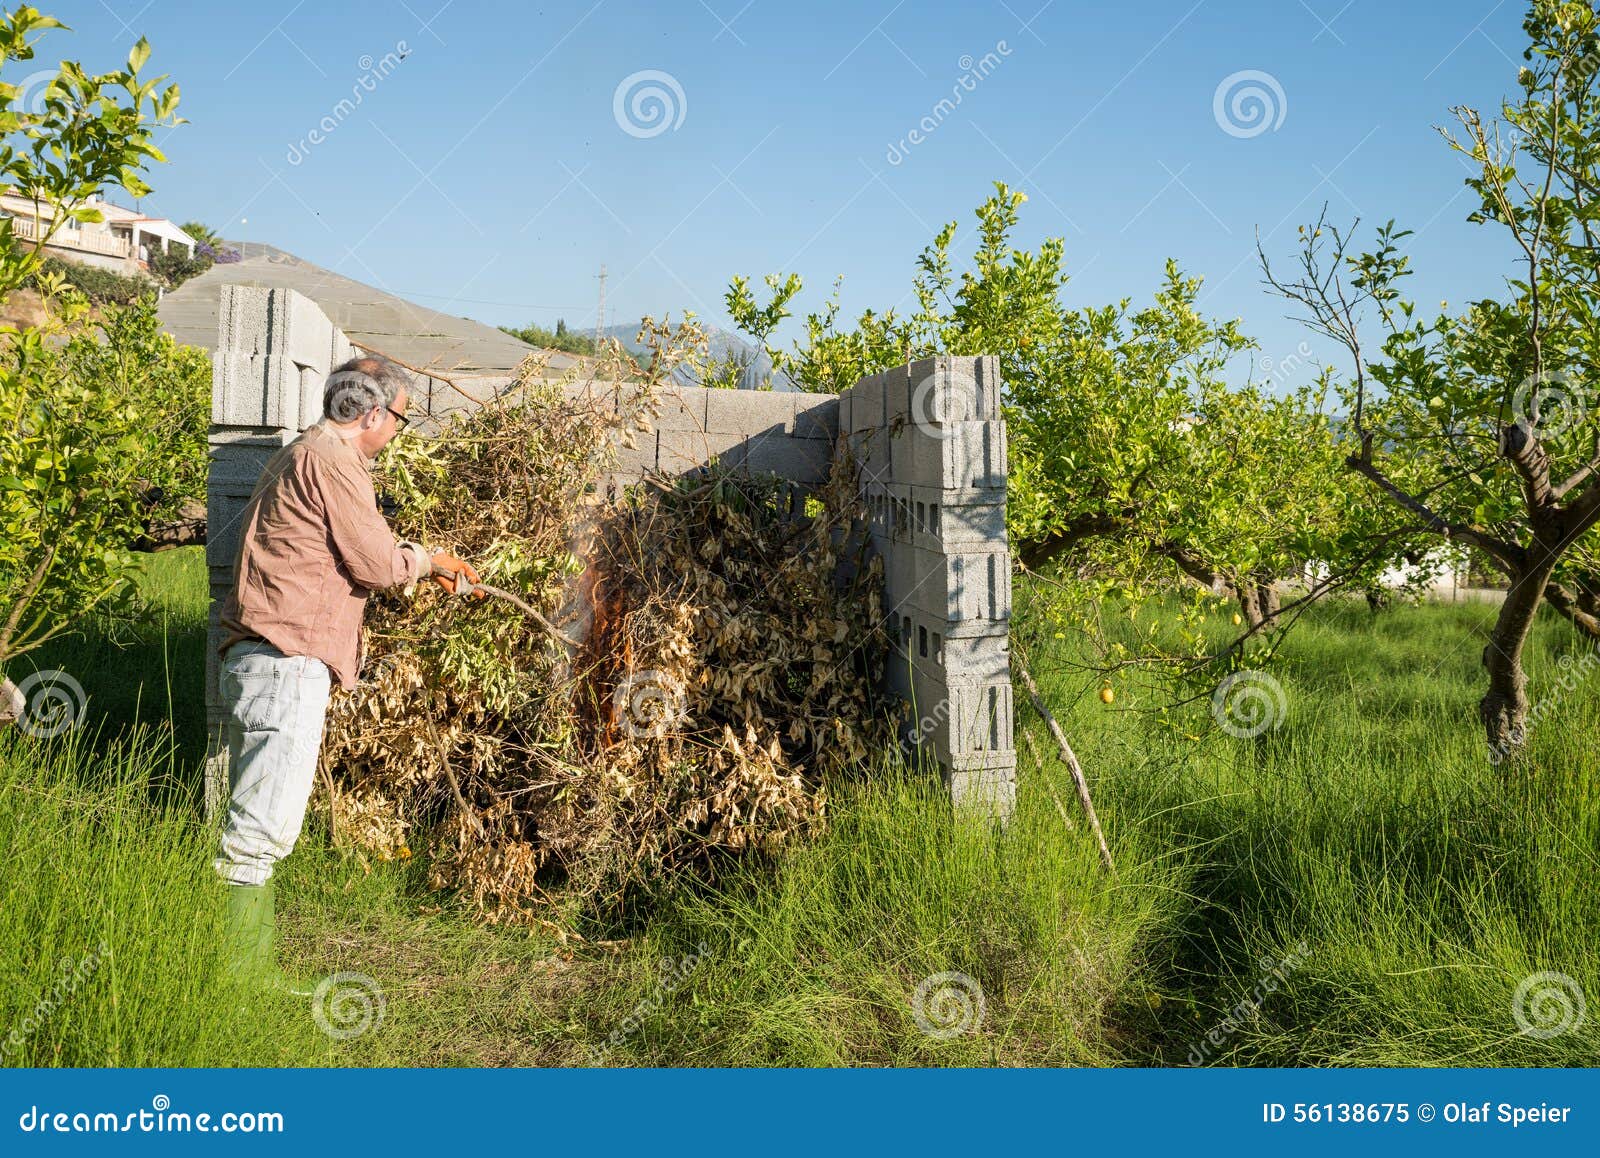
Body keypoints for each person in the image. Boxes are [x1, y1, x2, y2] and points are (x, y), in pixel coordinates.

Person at [213, 354, 482, 993]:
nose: (397, 433)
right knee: (261, 829)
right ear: (369, 413)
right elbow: (376, 563)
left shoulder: (304, 456)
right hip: (285, 659)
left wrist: (423, 566)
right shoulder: (333, 461)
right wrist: (432, 559)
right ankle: (240, 982)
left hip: (269, 656)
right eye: (399, 420)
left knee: (262, 820)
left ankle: (243, 972)